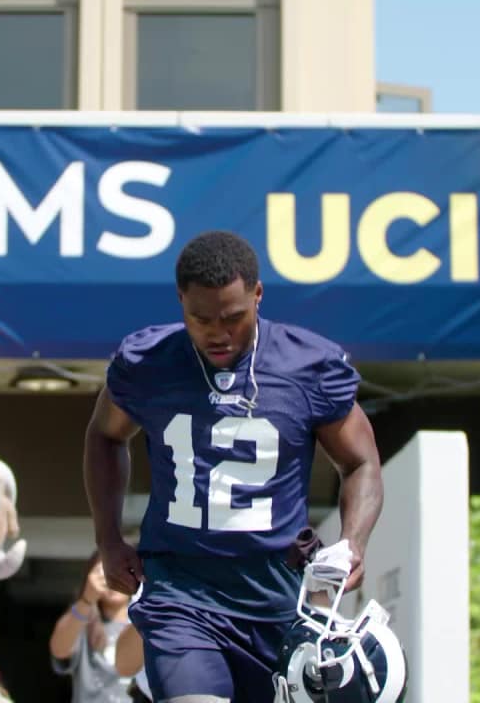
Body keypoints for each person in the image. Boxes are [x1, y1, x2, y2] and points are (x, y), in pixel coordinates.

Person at [82, 230, 384, 702]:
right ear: (179, 300)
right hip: (181, 593)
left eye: (233, 317)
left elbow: (360, 460)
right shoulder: (148, 364)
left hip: (277, 598)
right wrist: (108, 536)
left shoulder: (307, 365)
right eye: (200, 319)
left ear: (258, 295)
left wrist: (354, 542)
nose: (217, 333)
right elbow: (104, 435)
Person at [50, 553, 136, 703]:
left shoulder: (147, 623)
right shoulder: (82, 620)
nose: (115, 579)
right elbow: (59, 649)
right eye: (107, 571)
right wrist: (87, 600)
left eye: (124, 570)